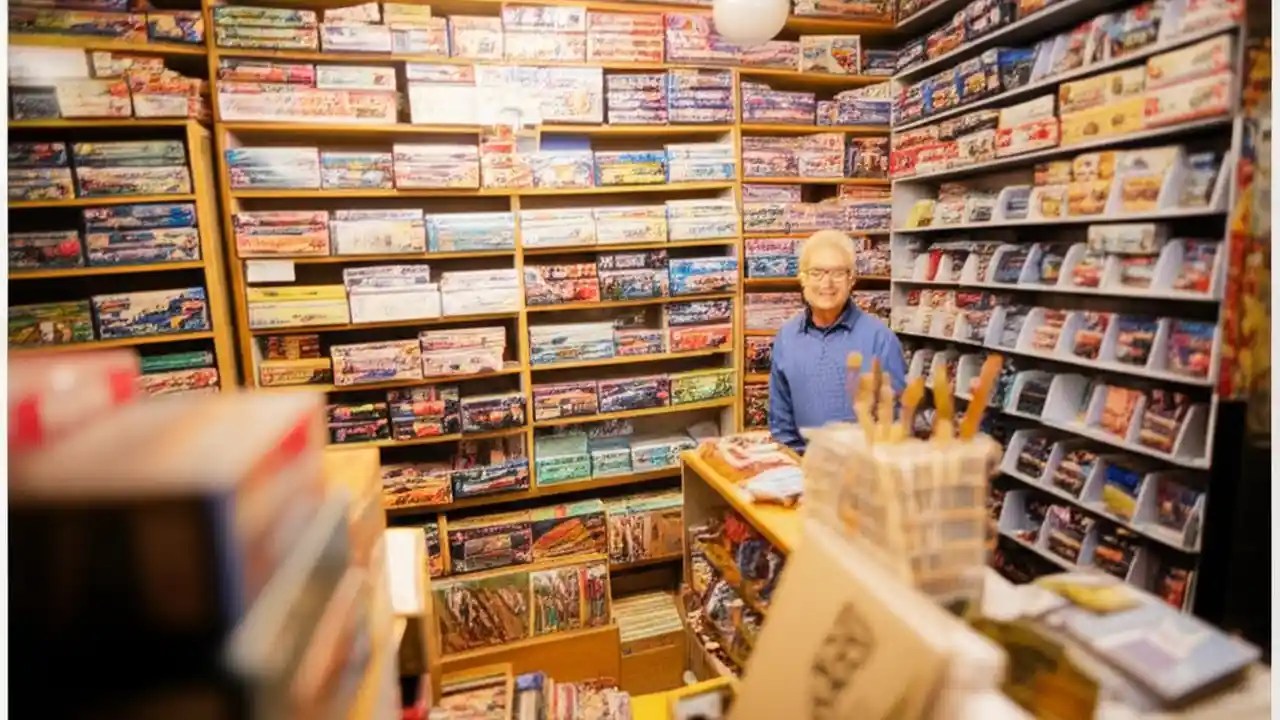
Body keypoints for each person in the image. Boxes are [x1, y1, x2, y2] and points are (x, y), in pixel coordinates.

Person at [769, 230, 907, 453]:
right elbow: (781, 423)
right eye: (816, 273)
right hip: (805, 472)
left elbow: (897, 420)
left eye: (838, 273)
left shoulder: (880, 340)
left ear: (852, 279)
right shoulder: (786, 338)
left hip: (865, 474)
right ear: (802, 278)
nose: (827, 282)